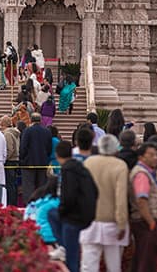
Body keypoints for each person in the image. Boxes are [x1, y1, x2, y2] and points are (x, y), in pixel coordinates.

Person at [80, 134, 130, 272]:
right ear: (116, 150)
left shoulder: (88, 163)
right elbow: (120, 197)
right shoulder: (120, 165)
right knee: (114, 265)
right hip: (112, 223)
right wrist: (121, 223)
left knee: (88, 265)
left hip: (89, 221)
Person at [49, 140, 97, 272]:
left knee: (72, 256)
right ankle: (63, 246)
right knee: (52, 214)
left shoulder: (67, 170)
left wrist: (63, 211)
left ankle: (63, 247)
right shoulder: (81, 167)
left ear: (57, 155)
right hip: (86, 213)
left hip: (73, 217)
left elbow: (68, 196)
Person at [128, 142, 157, 271]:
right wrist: (151, 223)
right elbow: (141, 200)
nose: (155, 158)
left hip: (146, 222)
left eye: (156, 155)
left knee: (143, 258)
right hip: (145, 223)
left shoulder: (148, 173)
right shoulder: (141, 174)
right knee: (146, 261)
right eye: (151, 155)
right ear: (141, 157)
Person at [20, 112, 52, 204]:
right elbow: (49, 148)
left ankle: (29, 206)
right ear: (41, 120)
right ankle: (41, 204)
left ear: (30, 119)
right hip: (43, 162)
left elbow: (23, 147)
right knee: (42, 186)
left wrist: (23, 159)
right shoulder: (47, 131)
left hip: (29, 163)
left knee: (28, 187)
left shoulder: (27, 131)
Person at [1, 115, 20, 206]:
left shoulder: (7, 134)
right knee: (13, 184)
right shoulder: (15, 133)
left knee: (10, 184)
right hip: (15, 160)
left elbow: (9, 149)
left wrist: (4, 159)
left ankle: (10, 204)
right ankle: (13, 203)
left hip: (10, 161)